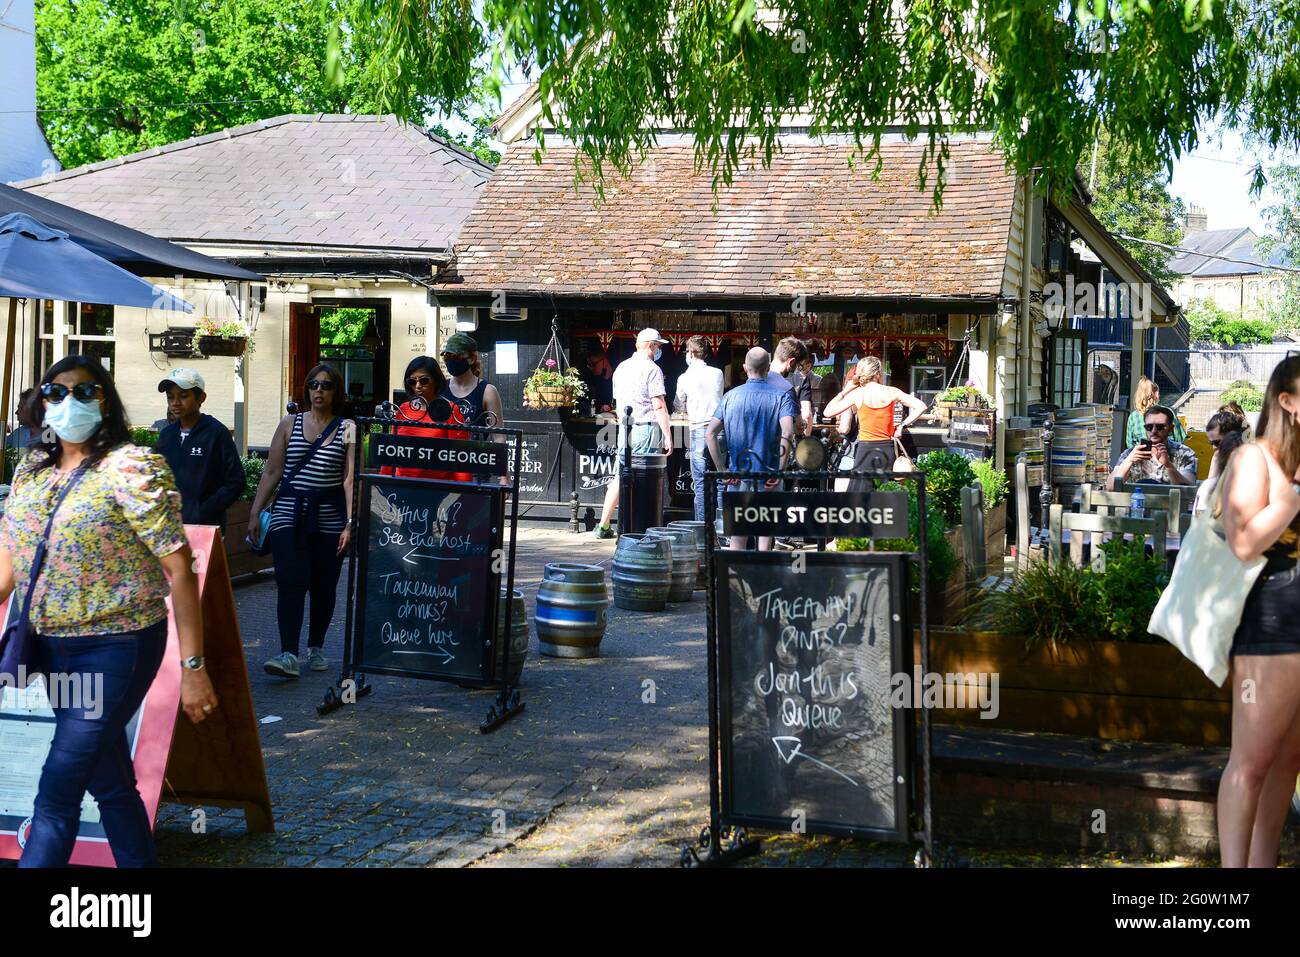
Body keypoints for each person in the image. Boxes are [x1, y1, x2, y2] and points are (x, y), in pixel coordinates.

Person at [0, 355, 216, 867]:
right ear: (40, 401)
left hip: (115, 647)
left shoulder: (132, 468)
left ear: (105, 400)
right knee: (108, 777)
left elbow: (180, 569)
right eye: (56, 392)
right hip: (50, 647)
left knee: (57, 790)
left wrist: (194, 668)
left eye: (84, 391)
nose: (68, 402)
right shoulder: (32, 472)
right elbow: (13, 561)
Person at [1217, 355, 1300, 867]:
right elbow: (1243, 544)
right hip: (1271, 625)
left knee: (1289, 759)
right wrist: (1287, 503)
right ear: (1287, 402)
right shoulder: (1253, 460)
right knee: (1249, 762)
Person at [249, 363, 356, 679]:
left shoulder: (347, 426)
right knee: (290, 580)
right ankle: (288, 653)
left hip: (329, 517)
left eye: (326, 385)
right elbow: (272, 471)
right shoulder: (289, 423)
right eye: (313, 384)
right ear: (307, 390)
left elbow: (349, 479)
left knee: (324, 585)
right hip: (288, 513)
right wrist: (255, 512)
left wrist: (350, 523)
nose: (319, 390)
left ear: (336, 391)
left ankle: (317, 646)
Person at [706, 347, 796, 551]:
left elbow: (710, 433)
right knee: (765, 536)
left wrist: (721, 470)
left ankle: (735, 579)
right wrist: (780, 471)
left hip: (738, 475)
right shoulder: (782, 396)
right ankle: (762, 580)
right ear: (768, 368)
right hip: (769, 476)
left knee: (738, 538)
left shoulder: (730, 397)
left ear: (745, 368)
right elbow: (788, 432)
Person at [594, 328, 674, 539]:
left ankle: (603, 526)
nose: (658, 350)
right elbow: (658, 405)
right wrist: (668, 435)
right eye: (658, 346)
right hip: (645, 428)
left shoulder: (621, 368)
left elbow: (618, 404)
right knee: (643, 480)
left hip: (625, 429)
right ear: (651, 345)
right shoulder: (652, 369)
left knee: (621, 476)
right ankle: (641, 529)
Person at [154, 369, 244, 529]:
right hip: (170, 529)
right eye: (170, 397)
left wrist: (203, 511)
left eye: (183, 396)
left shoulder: (216, 433)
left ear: (201, 398)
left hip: (206, 529)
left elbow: (236, 481)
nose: (175, 402)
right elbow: (159, 478)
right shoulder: (167, 435)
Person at [823, 356, 927, 487]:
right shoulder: (891, 391)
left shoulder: (858, 394)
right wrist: (902, 426)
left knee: (860, 494)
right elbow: (921, 406)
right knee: (884, 493)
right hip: (886, 449)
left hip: (865, 449)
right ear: (877, 374)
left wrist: (845, 391)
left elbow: (827, 412)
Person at [381, 356, 470, 482]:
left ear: (436, 381)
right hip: (403, 485)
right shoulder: (403, 409)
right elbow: (392, 449)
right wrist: (383, 480)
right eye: (412, 382)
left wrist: (463, 492)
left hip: (437, 488)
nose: (418, 386)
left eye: (424, 381)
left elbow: (461, 456)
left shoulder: (450, 410)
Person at [673, 336, 724, 523]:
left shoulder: (684, 377)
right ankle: (722, 530)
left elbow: (679, 405)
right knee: (720, 480)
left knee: (701, 483)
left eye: (687, 351)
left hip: (698, 430)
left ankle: (703, 530)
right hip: (718, 430)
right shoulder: (718, 373)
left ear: (692, 352)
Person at [1108, 404, 1198, 491]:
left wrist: (1168, 465)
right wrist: (1129, 460)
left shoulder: (1184, 453)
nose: (1154, 431)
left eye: (1160, 427)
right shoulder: (1132, 453)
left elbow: (1189, 489)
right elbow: (1110, 487)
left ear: (1171, 428)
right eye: (1149, 427)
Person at [440, 332, 503, 428]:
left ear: (472, 359)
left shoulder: (487, 391)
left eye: (456, 357)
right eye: (447, 357)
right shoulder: (441, 388)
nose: (451, 361)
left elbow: (499, 436)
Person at [1125, 376, 1187, 446]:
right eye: (1157, 392)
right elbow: (1179, 439)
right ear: (1152, 395)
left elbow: (1130, 444)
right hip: (1166, 454)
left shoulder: (1133, 417)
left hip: (1143, 455)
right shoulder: (1167, 413)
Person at [769, 337, 813, 435]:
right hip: (781, 443)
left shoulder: (757, 377)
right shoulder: (795, 384)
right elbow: (807, 414)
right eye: (799, 366)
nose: (798, 369)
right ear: (791, 362)